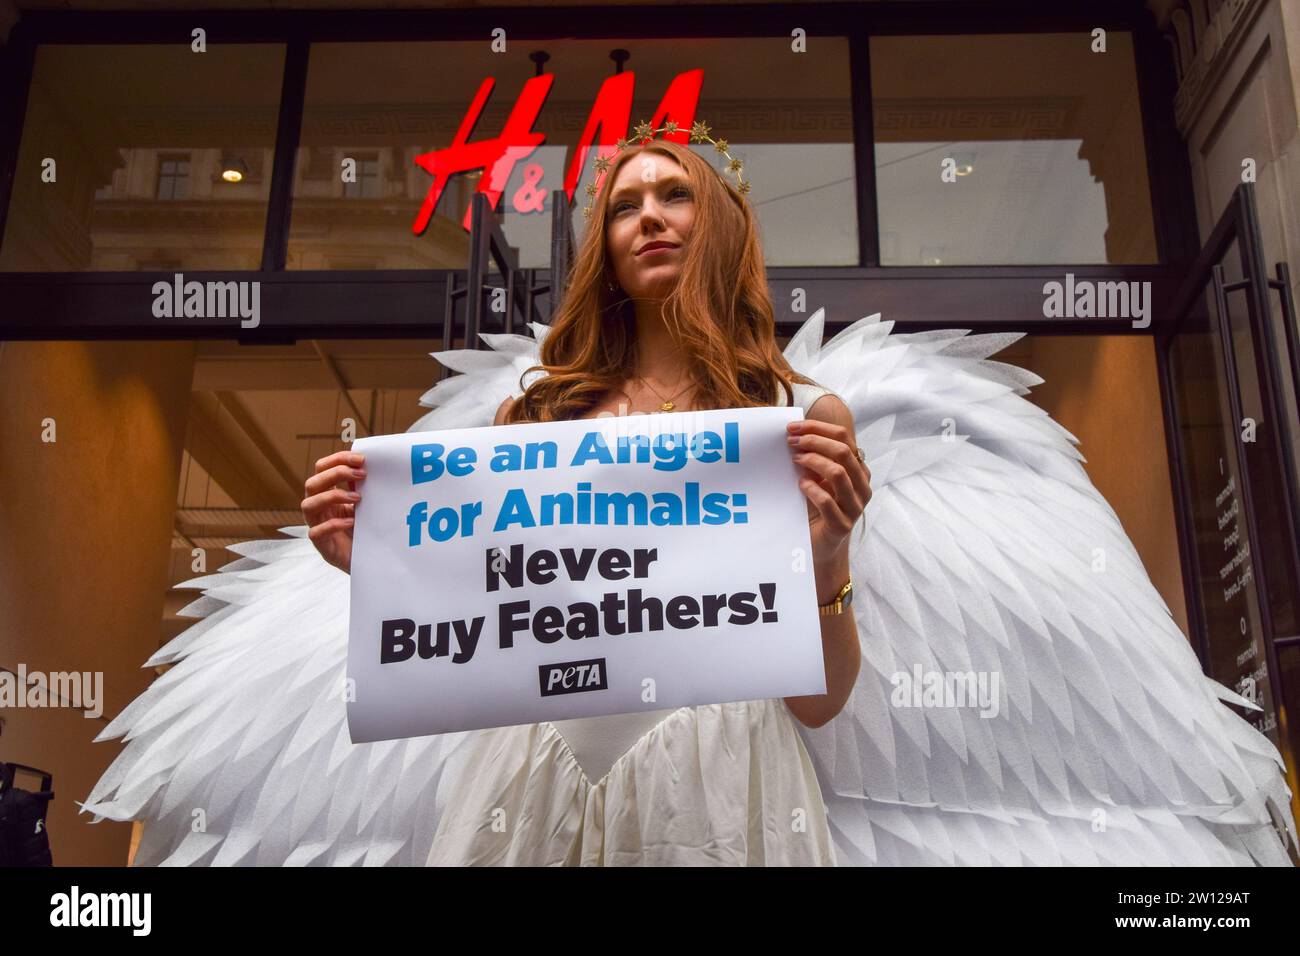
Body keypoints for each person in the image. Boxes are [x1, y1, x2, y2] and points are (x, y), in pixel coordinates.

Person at [301, 138, 872, 864]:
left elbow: (819, 706)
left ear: (724, 223)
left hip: (721, 776)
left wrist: (827, 555)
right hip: (537, 775)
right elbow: (498, 615)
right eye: (624, 207)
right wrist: (384, 565)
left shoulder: (799, 419)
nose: (649, 219)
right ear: (604, 246)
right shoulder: (533, 423)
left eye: (675, 195)